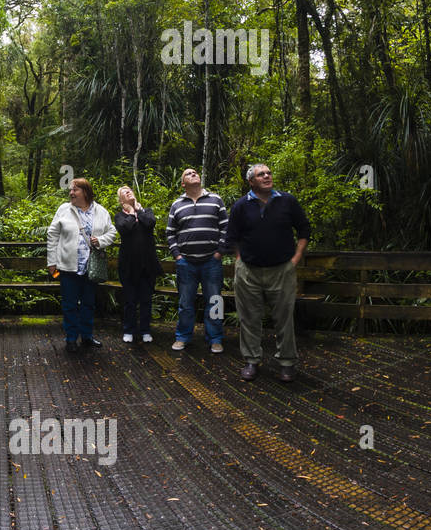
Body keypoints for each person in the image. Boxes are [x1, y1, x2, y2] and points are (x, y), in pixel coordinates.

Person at [223, 163, 310, 382]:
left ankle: (287, 363)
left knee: (284, 318)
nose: (266, 176)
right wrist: (239, 260)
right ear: (251, 181)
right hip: (249, 272)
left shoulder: (287, 201)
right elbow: (231, 236)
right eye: (261, 174)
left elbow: (304, 229)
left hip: (281, 270)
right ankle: (252, 361)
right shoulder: (241, 205)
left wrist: (296, 258)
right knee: (249, 318)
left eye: (269, 173)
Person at [44, 176, 114, 351]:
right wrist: (52, 261)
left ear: (85, 192)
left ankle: (87, 336)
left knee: (89, 304)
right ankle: (71, 339)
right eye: (70, 190)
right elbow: (52, 236)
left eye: (75, 189)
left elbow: (112, 232)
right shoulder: (64, 210)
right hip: (68, 267)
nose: (71, 193)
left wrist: (101, 240)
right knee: (69, 304)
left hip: (91, 268)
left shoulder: (101, 211)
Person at [166, 167, 228, 354]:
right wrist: (178, 256)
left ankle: (215, 339)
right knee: (185, 303)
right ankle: (182, 337)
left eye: (195, 172)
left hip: (212, 261)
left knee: (215, 301)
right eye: (188, 173)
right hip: (186, 263)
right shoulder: (177, 204)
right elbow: (170, 233)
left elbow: (226, 228)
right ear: (183, 183)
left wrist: (219, 253)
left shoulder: (215, 200)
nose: (194, 174)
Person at [111, 185, 158, 346]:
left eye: (130, 190)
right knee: (130, 301)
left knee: (146, 300)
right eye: (124, 192)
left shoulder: (147, 211)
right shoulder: (119, 216)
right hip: (128, 267)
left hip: (147, 266)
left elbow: (150, 223)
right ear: (121, 200)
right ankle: (129, 330)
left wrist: (138, 210)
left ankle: (145, 330)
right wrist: (131, 213)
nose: (128, 191)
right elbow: (125, 229)